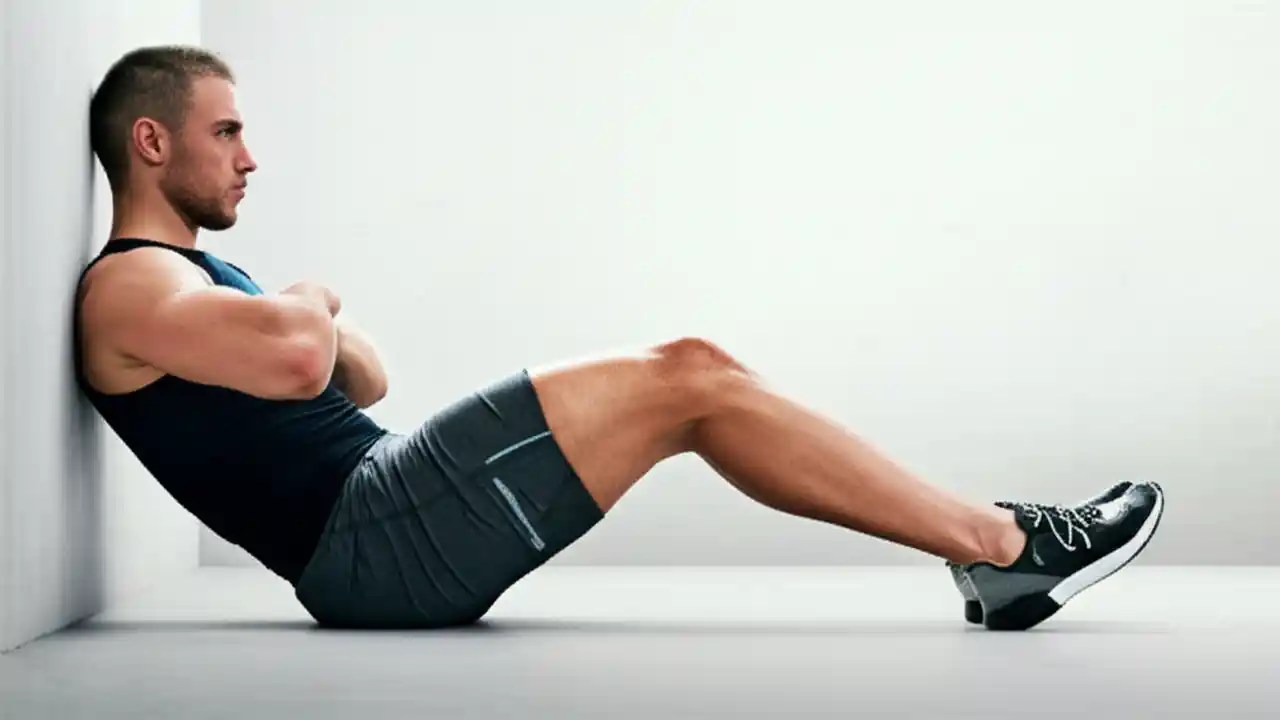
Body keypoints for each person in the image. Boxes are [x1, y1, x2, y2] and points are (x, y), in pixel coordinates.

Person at [76, 45, 1164, 632]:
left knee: (699, 380)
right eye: (226, 133)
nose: (249, 157)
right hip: (369, 544)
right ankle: (1008, 549)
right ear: (151, 140)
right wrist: (306, 296)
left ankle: (984, 548)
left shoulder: (194, 283)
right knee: (686, 374)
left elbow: (365, 374)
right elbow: (312, 357)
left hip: (380, 505)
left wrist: (293, 318)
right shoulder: (128, 290)